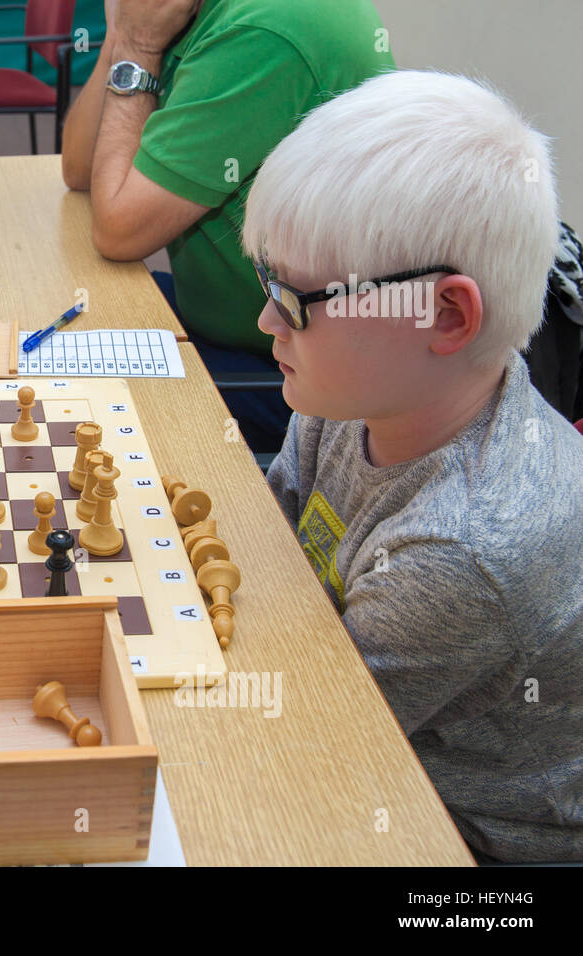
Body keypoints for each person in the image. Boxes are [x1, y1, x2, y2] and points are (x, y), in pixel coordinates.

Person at [246, 70, 583, 862]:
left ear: (444, 315)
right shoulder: (358, 400)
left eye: (294, 300)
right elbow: (268, 546)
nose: (266, 320)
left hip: (462, 848)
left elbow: (295, 734)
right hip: (352, 725)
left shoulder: (464, 550)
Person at [61, 0, 393, 450]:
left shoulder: (266, 29)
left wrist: (137, 49)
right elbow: (80, 171)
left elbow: (118, 229)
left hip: (290, 376)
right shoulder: (182, 12)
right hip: (226, 324)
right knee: (60, 333)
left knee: (72, 401)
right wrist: (121, 37)